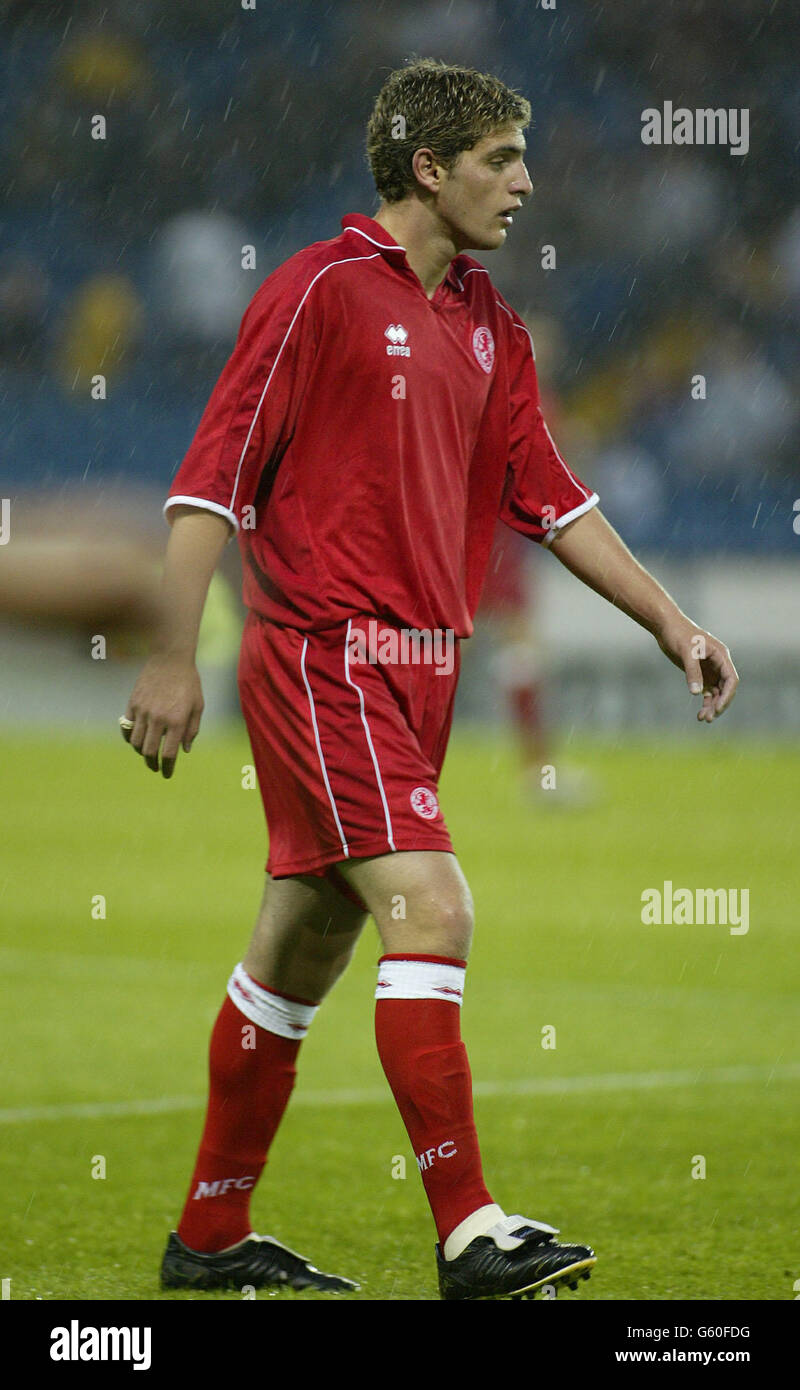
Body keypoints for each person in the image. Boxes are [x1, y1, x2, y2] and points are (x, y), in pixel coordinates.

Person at [121, 58, 738, 1301]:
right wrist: (168, 653)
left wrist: (673, 623)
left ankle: (209, 1238)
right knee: (434, 909)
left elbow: (553, 500)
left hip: (417, 676)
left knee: (301, 947)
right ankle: (469, 1231)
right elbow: (210, 480)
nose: (525, 183)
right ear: (426, 168)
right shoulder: (317, 292)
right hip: (321, 658)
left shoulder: (488, 325)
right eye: (500, 160)